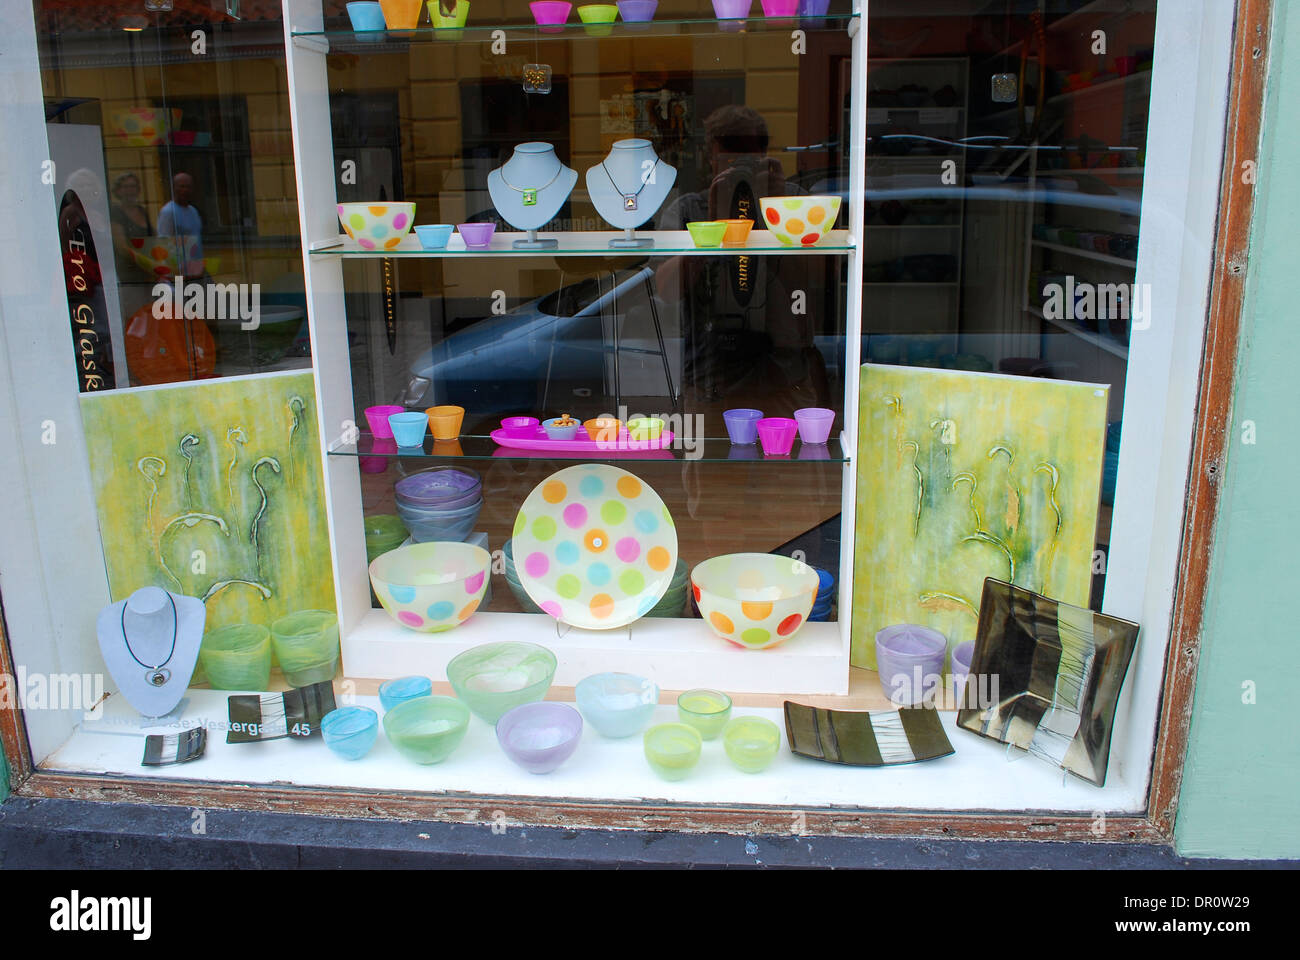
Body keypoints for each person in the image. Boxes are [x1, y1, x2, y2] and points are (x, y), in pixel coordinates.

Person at [157, 171, 204, 278]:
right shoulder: (168, 212)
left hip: (197, 270)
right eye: (181, 186)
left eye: (188, 187)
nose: (185, 190)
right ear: (174, 188)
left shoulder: (193, 211)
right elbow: (164, 243)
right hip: (179, 273)